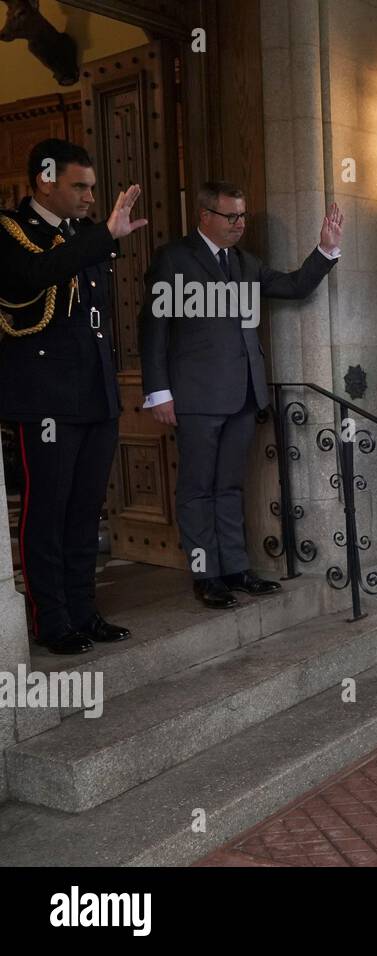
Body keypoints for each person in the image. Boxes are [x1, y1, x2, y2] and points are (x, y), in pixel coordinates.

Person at [138, 181, 343, 609]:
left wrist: (325, 251)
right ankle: (205, 574)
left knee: (230, 486)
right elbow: (153, 328)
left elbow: (293, 286)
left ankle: (235, 568)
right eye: (231, 216)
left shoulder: (246, 262)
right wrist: (158, 392)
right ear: (205, 216)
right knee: (198, 489)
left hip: (243, 395)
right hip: (193, 397)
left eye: (243, 216)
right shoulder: (174, 259)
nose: (239, 224)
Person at [0, 138, 148, 654]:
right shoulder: (12, 232)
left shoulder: (86, 235)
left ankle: (85, 610)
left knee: (87, 511)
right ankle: (52, 619)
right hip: (45, 398)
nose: (90, 195)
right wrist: (104, 236)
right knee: (48, 510)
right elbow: (36, 275)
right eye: (78, 186)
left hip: (95, 395)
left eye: (91, 186)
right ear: (46, 179)